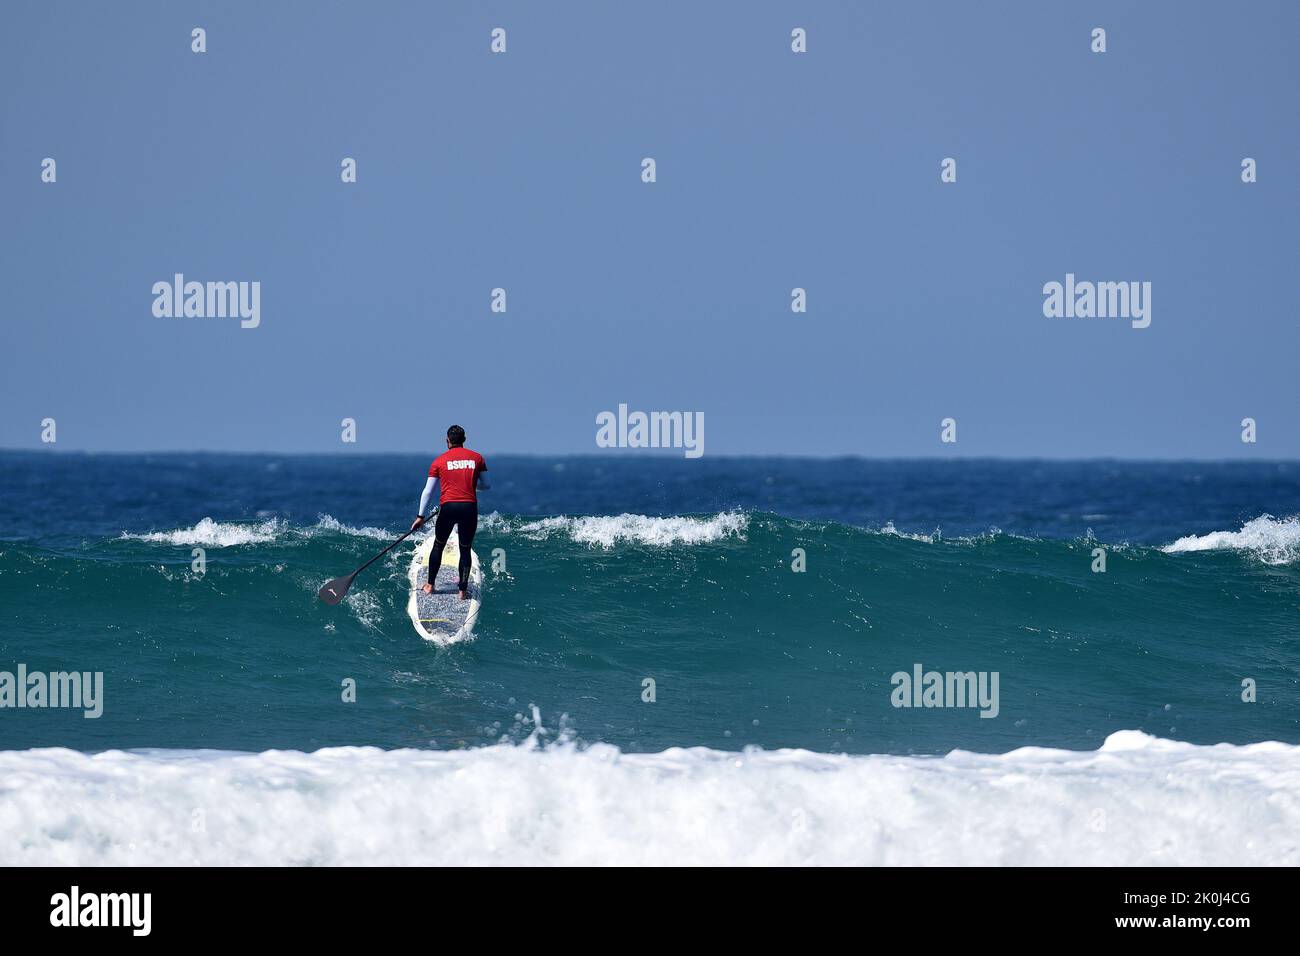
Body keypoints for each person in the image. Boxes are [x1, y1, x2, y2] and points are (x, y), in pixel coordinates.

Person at [411, 425, 489, 600]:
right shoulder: (477, 458)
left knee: (439, 545)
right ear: (464, 439)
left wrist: (420, 517)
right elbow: (486, 485)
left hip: (448, 508)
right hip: (469, 508)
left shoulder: (439, 461)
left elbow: (428, 492)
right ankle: (462, 591)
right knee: (465, 549)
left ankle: (430, 585)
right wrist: (471, 485)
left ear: (447, 441)